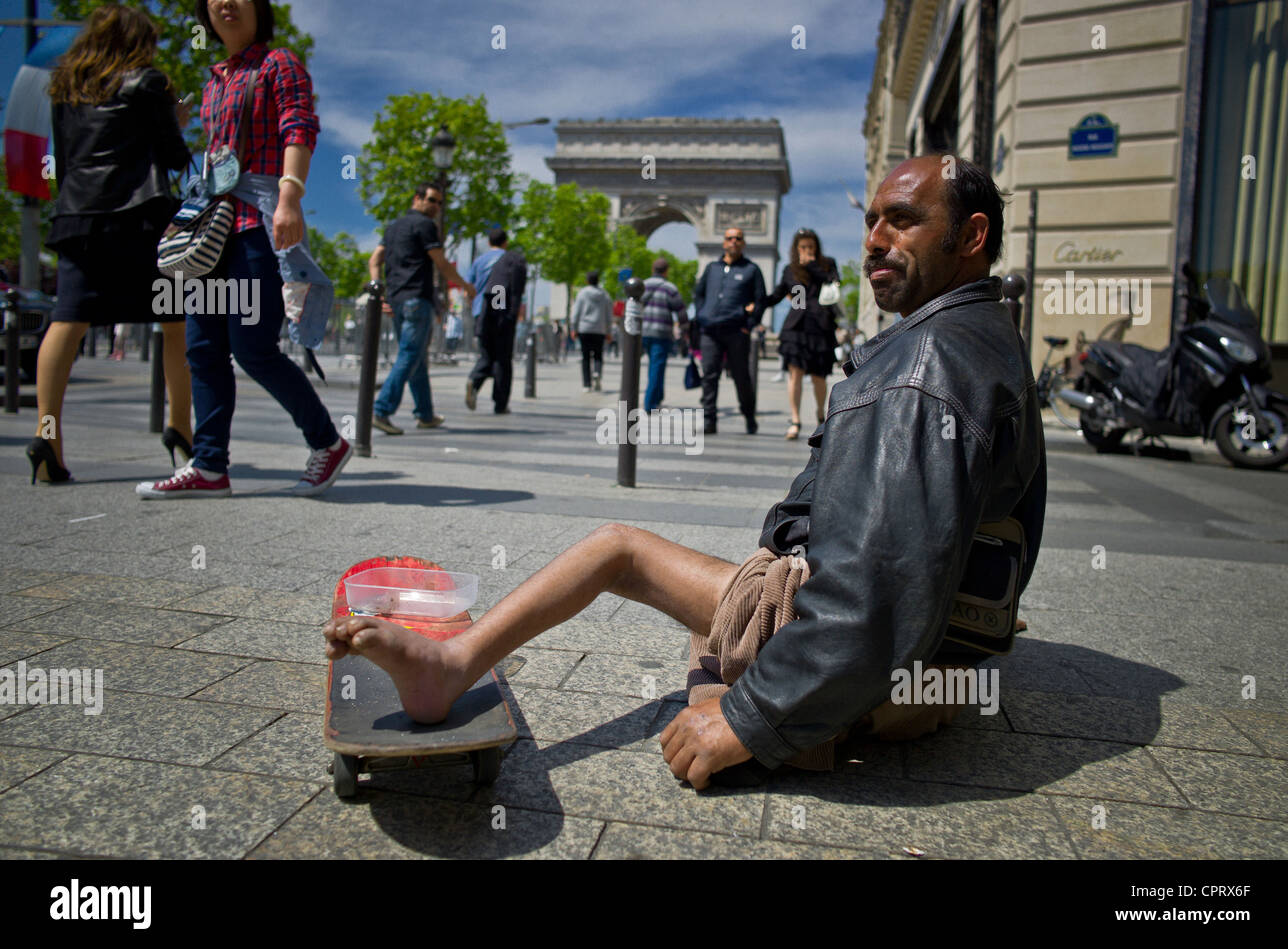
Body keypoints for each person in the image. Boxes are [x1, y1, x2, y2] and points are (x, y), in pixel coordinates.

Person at [322, 154, 1047, 790]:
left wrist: (746, 718)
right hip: (946, 647)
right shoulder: (979, 335)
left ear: (972, 237)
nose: (875, 239)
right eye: (875, 220)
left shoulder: (924, 366)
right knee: (702, 595)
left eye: (905, 221)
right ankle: (844, 698)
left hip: (858, 640)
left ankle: (450, 667)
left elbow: (874, 592)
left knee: (618, 548)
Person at [137, 0, 348, 498]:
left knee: (252, 346)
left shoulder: (279, 63)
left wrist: (290, 196)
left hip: (257, 219)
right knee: (201, 347)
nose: (224, 4)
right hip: (211, 227)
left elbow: (299, 126)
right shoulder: (213, 80)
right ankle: (209, 466)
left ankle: (327, 441)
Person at [26, 4, 193, 485]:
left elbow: (64, 157)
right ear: (139, 42)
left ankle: (47, 438)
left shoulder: (66, 89)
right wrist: (176, 118)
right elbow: (174, 157)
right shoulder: (148, 83)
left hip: (79, 217)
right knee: (175, 323)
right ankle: (180, 428)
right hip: (140, 217)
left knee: (67, 321)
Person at [368, 183, 472, 435]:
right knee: (410, 355)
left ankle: (425, 414)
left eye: (440, 203)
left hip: (397, 300)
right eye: (433, 200)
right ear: (417, 199)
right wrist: (466, 286)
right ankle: (381, 410)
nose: (437, 207)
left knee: (418, 360)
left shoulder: (393, 227)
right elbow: (441, 264)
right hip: (416, 299)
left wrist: (377, 289)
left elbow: (374, 260)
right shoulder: (425, 226)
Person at [764, 228, 841, 440]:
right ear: (796, 249)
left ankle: (820, 414)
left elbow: (833, 283)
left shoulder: (828, 264)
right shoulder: (790, 269)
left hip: (820, 326)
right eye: (803, 247)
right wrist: (757, 301)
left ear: (816, 247)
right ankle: (795, 419)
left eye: (811, 247)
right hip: (795, 327)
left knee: (819, 376)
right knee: (794, 374)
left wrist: (813, 265)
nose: (807, 250)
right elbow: (778, 295)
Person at [693, 227, 766, 434]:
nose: (733, 241)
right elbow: (698, 294)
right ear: (724, 242)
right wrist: (701, 314)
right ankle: (709, 420)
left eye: (738, 238)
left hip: (736, 331)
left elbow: (760, 300)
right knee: (709, 376)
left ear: (743, 243)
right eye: (729, 238)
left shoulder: (752, 270)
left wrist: (749, 324)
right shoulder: (711, 268)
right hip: (710, 330)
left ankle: (749, 416)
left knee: (741, 377)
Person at [466, 236, 527, 414]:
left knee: (486, 355)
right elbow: (499, 289)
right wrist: (503, 316)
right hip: (496, 311)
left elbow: (470, 287)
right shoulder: (508, 261)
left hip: (482, 311)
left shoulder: (479, 260)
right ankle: (499, 402)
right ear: (505, 242)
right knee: (501, 359)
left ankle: (474, 381)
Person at [640, 258, 687, 413]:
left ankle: (657, 398)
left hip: (643, 331)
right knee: (657, 366)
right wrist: (685, 328)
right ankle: (650, 403)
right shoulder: (669, 288)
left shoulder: (643, 285)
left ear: (653, 269)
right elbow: (680, 309)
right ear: (666, 271)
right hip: (661, 332)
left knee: (654, 365)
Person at [571, 270, 612, 392]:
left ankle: (587, 384)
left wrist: (573, 328)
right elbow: (609, 315)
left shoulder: (582, 294)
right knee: (598, 355)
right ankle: (597, 373)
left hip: (584, 329)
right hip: (600, 329)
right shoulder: (605, 295)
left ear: (587, 280)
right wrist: (608, 331)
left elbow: (576, 313)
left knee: (585, 357)